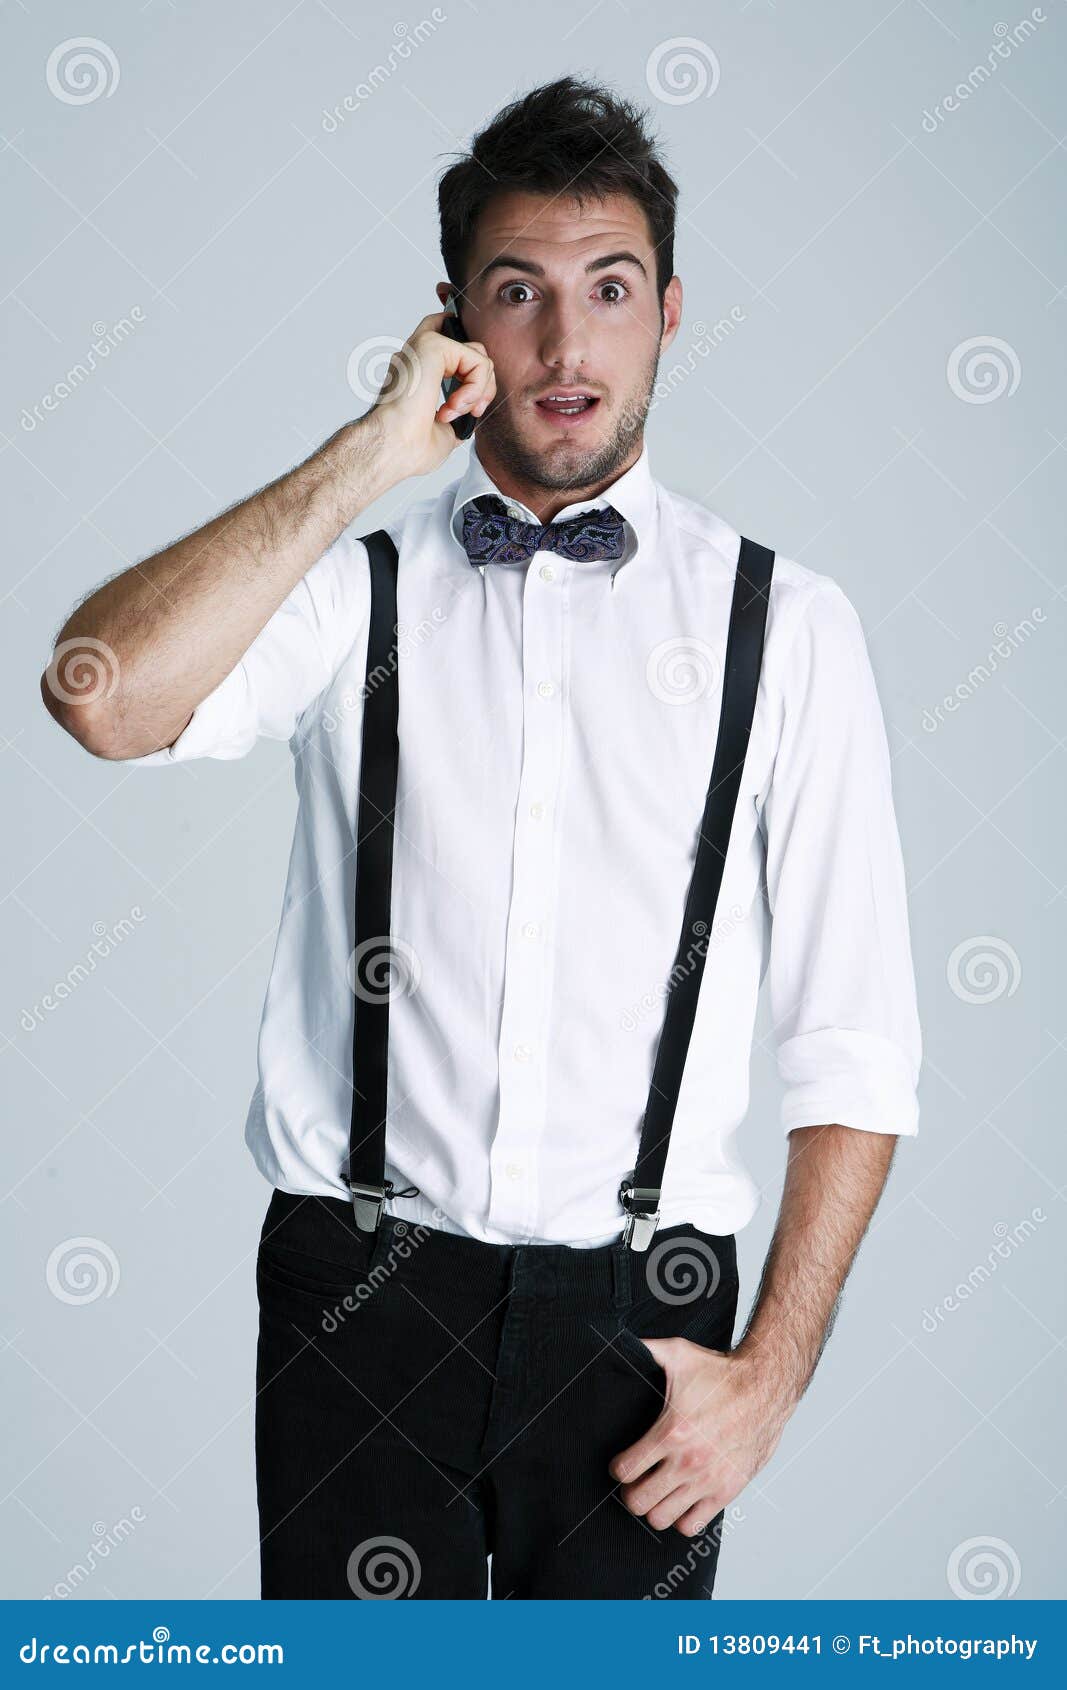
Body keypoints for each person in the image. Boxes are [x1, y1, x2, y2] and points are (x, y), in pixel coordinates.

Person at [41, 76, 921, 1600]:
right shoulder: (348, 587)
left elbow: (858, 1050)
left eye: (609, 291)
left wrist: (770, 1375)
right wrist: (366, 458)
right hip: (358, 1294)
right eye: (518, 295)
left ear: (671, 311)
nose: (567, 348)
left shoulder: (790, 629)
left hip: (646, 1316)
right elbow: (98, 698)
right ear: (451, 320)